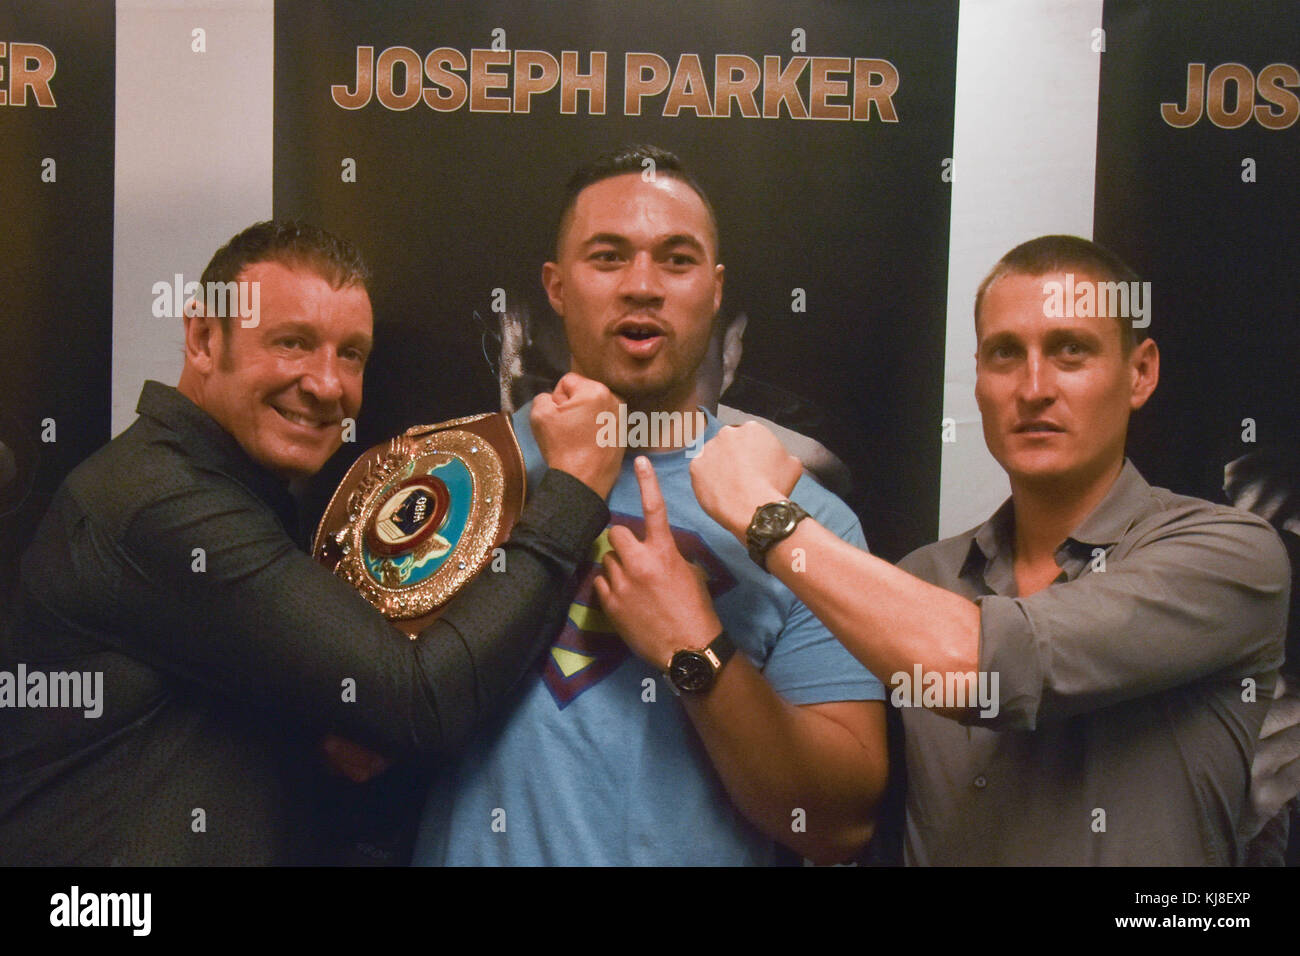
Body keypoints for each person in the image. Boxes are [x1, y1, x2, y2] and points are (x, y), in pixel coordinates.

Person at [0, 220, 622, 865]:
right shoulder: (161, 502)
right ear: (204, 338)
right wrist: (575, 487)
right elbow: (422, 702)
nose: (328, 386)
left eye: (350, 353)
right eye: (293, 343)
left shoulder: (231, 493)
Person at [688, 235, 1290, 865]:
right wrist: (693, 641)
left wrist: (763, 514)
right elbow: (834, 813)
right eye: (1006, 354)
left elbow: (975, 668)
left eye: (1070, 351)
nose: (1034, 387)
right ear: (978, 378)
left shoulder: (1229, 554)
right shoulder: (924, 578)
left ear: (1139, 373)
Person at [414, 145, 887, 867]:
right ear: (557, 285)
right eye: (608, 257)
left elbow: (840, 825)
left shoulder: (802, 520)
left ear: (716, 288)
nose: (642, 285)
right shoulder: (448, 480)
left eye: (676, 259)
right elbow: (351, 737)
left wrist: (697, 648)